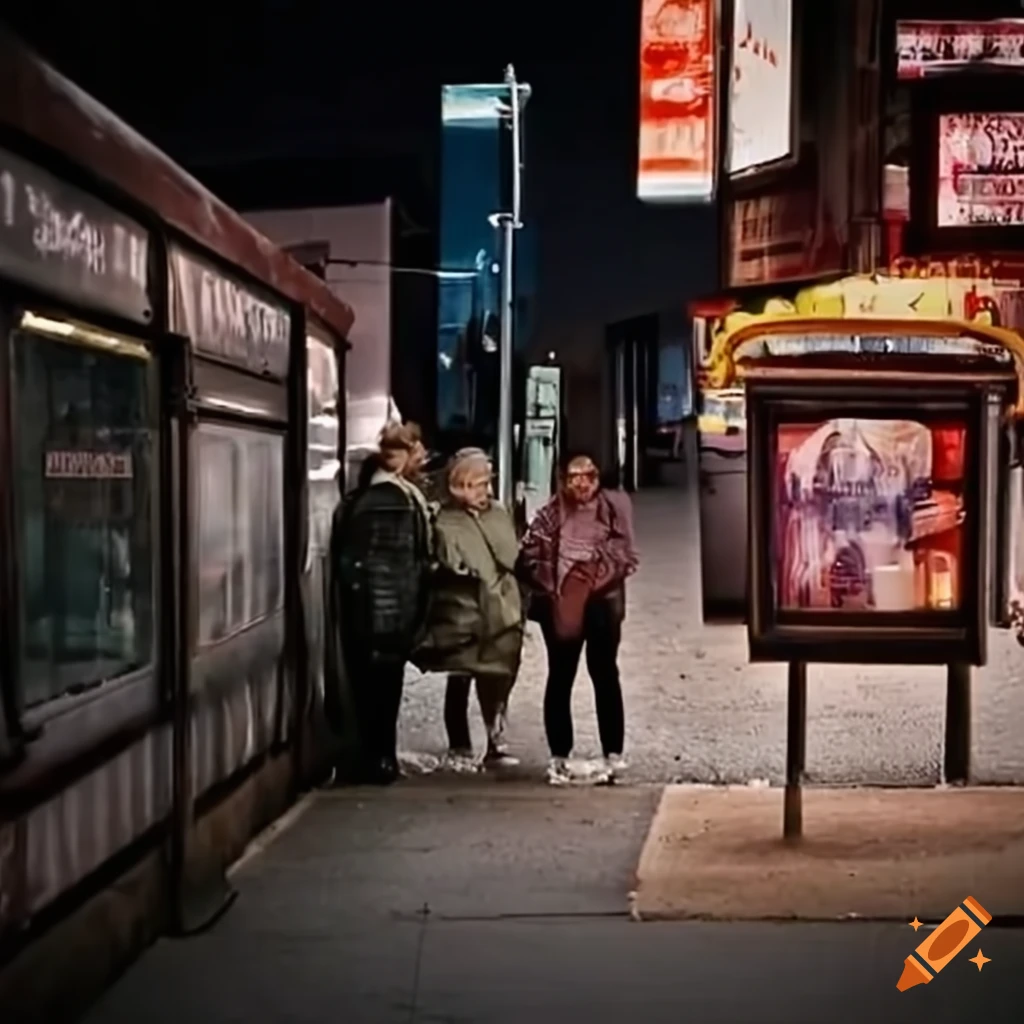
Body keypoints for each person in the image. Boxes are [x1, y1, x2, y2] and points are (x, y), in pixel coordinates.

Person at [517, 453, 638, 785]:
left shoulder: (613, 510)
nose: (581, 484)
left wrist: (592, 576)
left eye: (589, 476)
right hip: (561, 605)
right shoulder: (551, 514)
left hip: (602, 603)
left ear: (599, 479)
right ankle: (559, 755)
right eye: (574, 477)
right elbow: (528, 555)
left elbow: (626, 554)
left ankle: (613, 754)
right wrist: (553, 586)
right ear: (563, 480)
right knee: (561, 676)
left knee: (605, 674)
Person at [330, 421, 433, 784]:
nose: (423, 458)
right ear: (402, 455)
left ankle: (377, 760)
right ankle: (379, 762)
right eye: (417, 450)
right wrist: (399, 624)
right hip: (383, 619)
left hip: (372, 617)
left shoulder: (377, 495)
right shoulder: (390, 501)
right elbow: (388, 570)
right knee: (381, 694)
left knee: (374, 693)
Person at [414, 448, 524, 769]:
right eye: (478, 484)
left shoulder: (498, 513)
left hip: (502, 609)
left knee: (498, 678)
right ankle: (460, 744)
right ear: (459, 485)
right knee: (460, 676)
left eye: (487, 483)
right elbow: (442, 562)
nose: (485, 491)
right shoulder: (443, 519)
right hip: (463, 612)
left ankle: (495, 741)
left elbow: (512, 555)